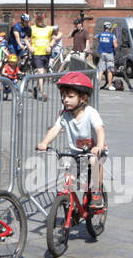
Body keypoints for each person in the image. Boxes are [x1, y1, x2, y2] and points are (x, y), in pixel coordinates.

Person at [36, 71, 108, 202]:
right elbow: (55, 129)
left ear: (83, 98)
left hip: (94, 151)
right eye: (63, 96)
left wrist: (99, 146)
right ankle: (71, 204)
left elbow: (100, 129)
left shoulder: (91, 113)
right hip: (76, 153)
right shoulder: (65, 115)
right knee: (69, 177)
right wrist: (44, 143)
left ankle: (97, 190)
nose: (65, 100)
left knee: (94, 161)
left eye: (70, 96)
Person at [95, 21, 118, 89]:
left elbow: (95, 37)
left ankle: (98, 85)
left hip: (102, 54)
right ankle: (110, 85)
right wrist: (116, 43)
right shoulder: (112, 35)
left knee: (101, 70)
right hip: (109, 54)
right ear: (110, 27)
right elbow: (115, 46)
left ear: (104, 27)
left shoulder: (100, 34)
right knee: (109, 70)